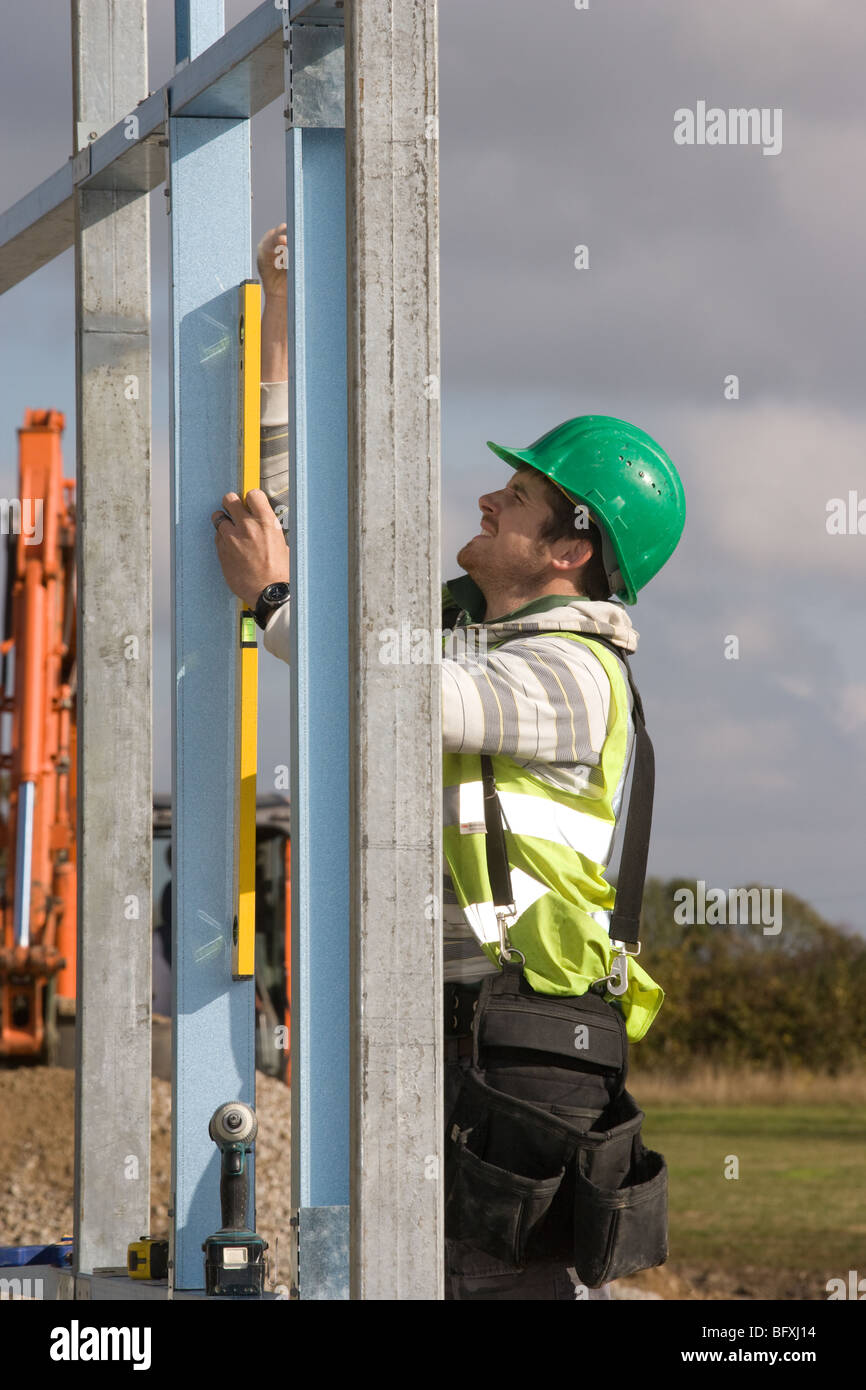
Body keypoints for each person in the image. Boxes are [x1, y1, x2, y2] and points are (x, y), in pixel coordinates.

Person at [211, 225, 685, 1300]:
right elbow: (306, 545)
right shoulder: (476, 634)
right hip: (449, 1029)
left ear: (569, 549)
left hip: (512, 1051)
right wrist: (281, 314)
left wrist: (276, 606)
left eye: (514, 498)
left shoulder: (573, 674)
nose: (486, 499)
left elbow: (388, 694)